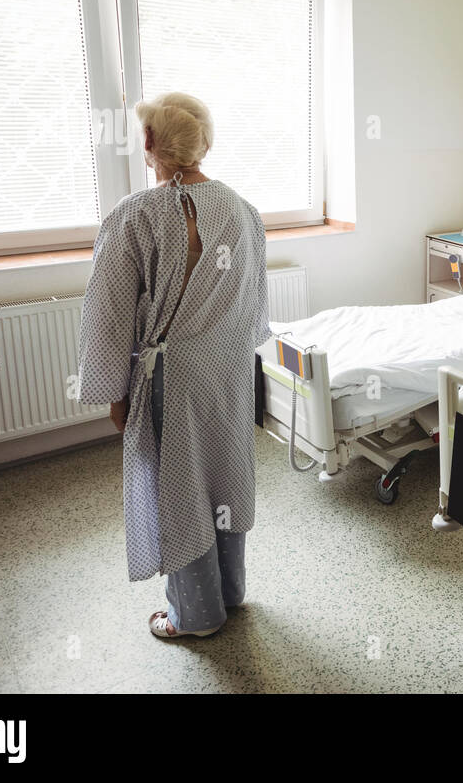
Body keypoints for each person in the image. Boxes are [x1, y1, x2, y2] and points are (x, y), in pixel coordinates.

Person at [77, 92, 269, 638]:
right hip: (228, 370)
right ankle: (229, 593)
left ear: (149, 144)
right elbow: (254, 301)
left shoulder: (135, 215)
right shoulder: (242, 210)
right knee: (225, 474)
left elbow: (109, 313)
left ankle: (196, 615)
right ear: (202, 143)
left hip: (173, 377)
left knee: (180, 485)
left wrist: (116, 391)